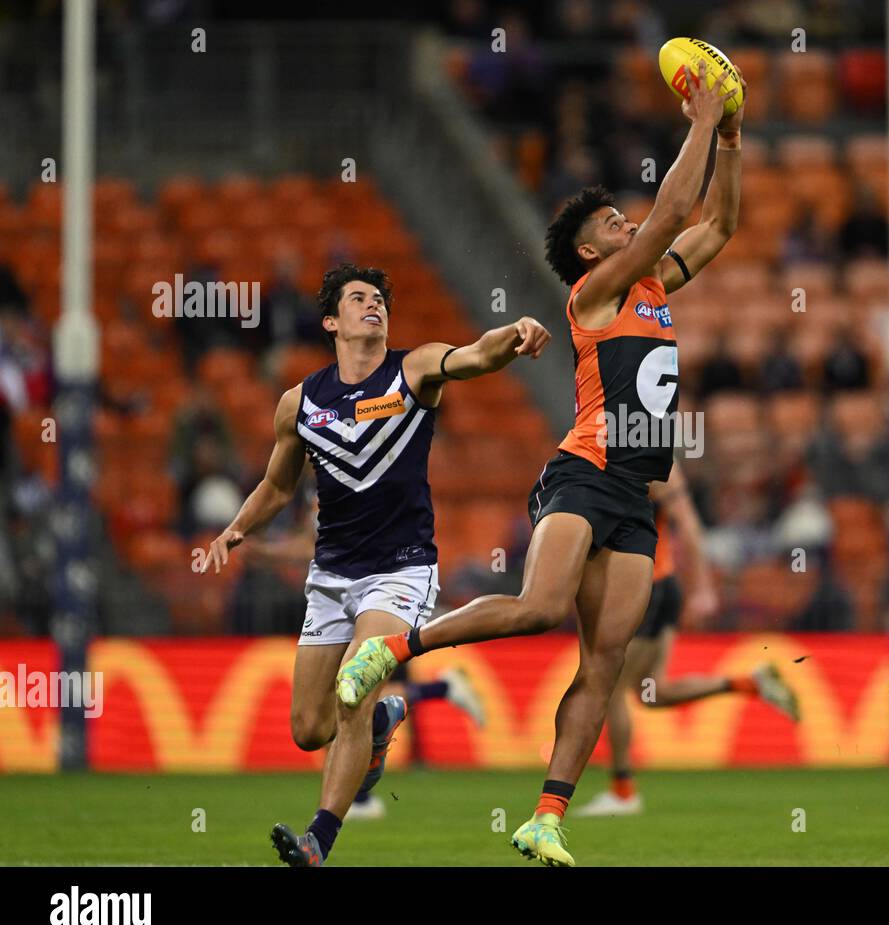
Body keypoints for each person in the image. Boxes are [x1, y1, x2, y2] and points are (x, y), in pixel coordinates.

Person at [335, 64, 744, 866]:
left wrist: (729, 137)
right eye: (614, 222)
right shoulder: (596, 292)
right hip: (583, 471)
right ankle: (393, 650)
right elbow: (671, 215)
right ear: (590, 250)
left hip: (634, 495)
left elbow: (720, 222)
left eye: (625, 218)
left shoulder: (653, 284)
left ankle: (546, 818)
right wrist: (699, 120)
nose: (630, 224)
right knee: (537, 608)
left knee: (606, 661)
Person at [199, 263, 549, 866]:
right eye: (359, 298)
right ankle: (388, 717)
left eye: (380, 299)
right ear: (331, 322)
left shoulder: (414, 370)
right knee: (309, 728)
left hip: (400, 569)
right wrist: (236, 529)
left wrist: (513, 332)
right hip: (331, 576)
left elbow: (475, 355)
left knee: (352, 691)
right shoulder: (299, 403)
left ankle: (317, 841)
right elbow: (278, 486)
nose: (374, 305)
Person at [574, 463, 798, 817]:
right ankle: (749, 683)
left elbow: (688, 523)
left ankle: (623, 791)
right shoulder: (639, 459)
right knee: (653, 691)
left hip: (643, 588)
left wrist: (704, 587)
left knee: (609, 687)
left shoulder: (645, 462)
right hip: (659, 585)